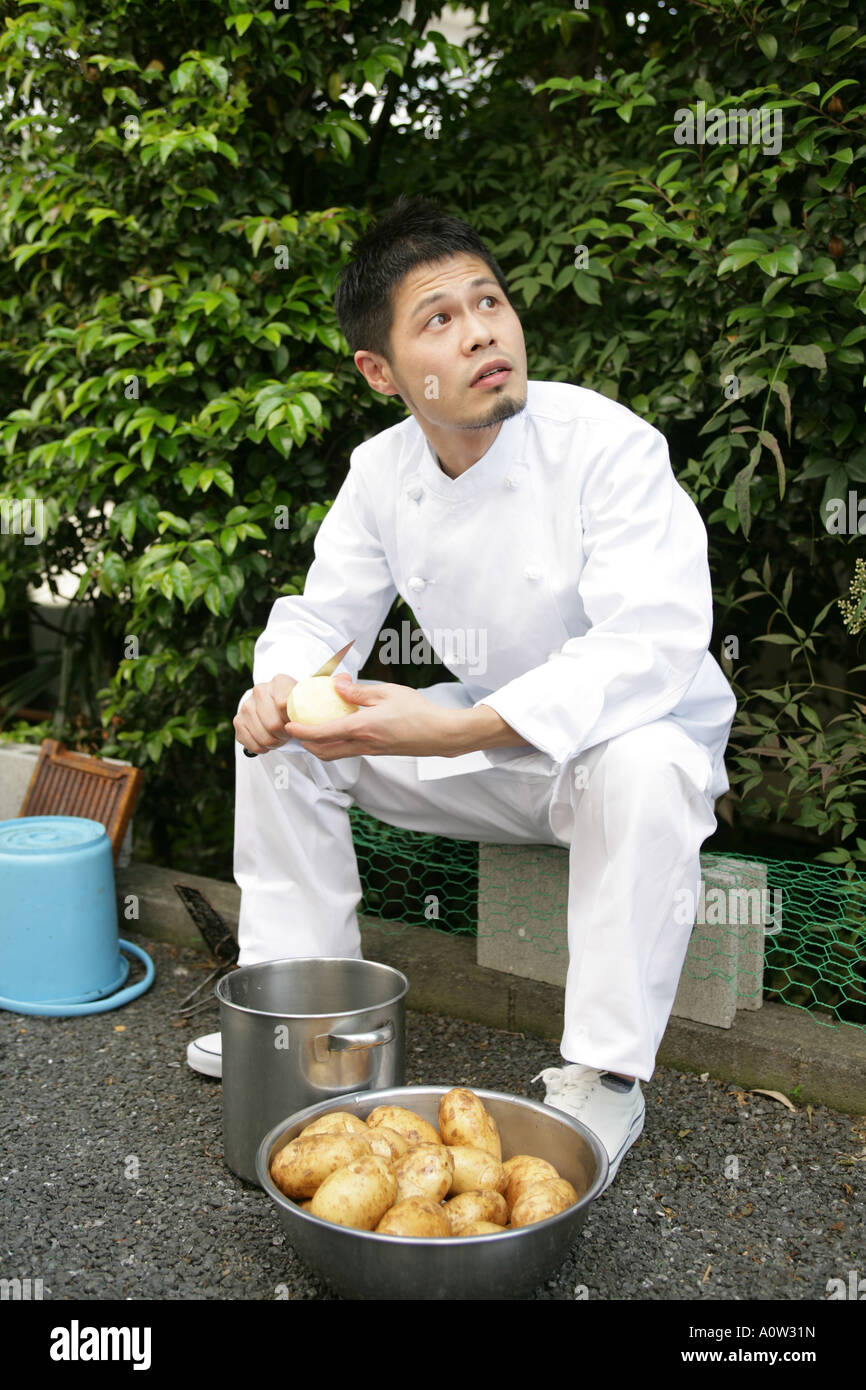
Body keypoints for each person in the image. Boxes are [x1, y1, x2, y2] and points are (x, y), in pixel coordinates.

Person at [187, 195, 736, 1192]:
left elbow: (650, 644)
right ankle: (302, 1011)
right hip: (488, 742)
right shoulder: (378, 472)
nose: (481, 327)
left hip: (614, 750)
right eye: (438, 317)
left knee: (645, 761)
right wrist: (274, 689)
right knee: (278, 737)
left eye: (489, 301)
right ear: (380, 371)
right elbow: (319, 619)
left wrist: (458, 730)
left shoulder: (603, 444)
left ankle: (603, 1074)